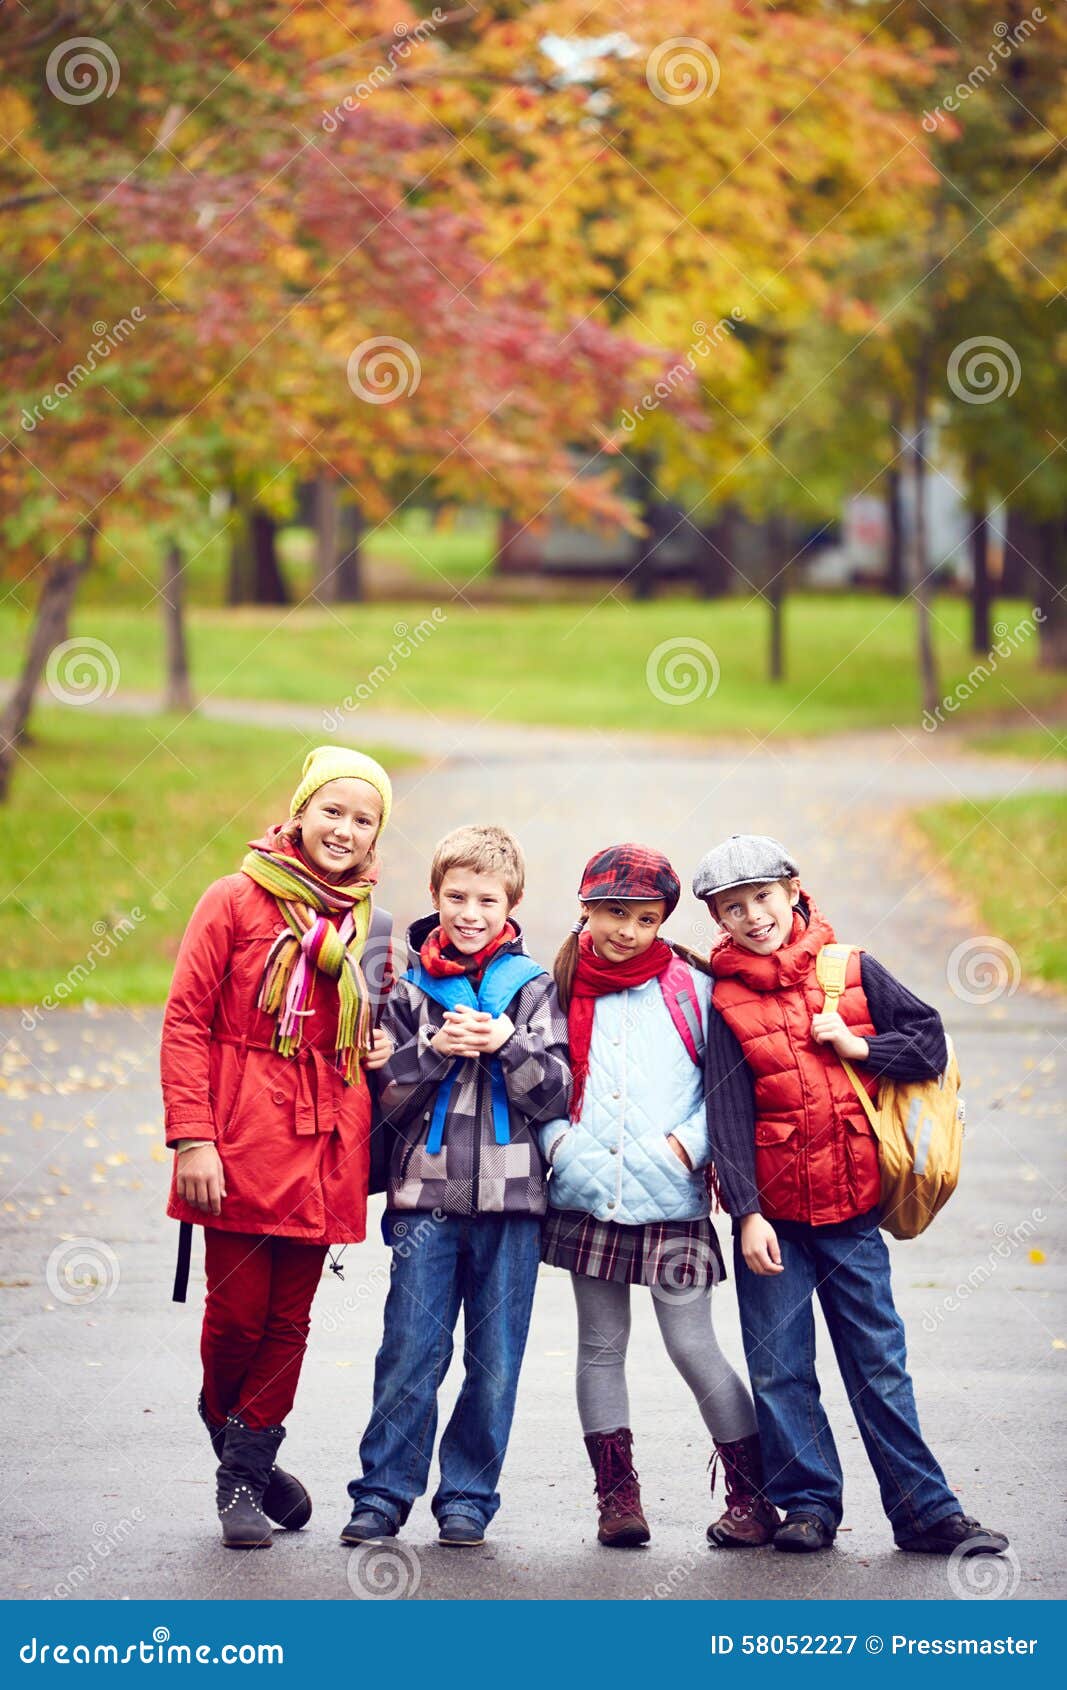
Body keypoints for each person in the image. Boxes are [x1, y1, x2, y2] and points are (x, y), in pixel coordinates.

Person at [693, 832, 1011, 1558]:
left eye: (761, 898)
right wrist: (744, 1215)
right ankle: (806, 1504)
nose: (751, 917)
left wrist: (861, 1046)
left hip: (852, 1213)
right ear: (718, 918)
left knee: (877, 1363)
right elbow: (727, 1113)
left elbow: (928, 1042)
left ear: (793, 889)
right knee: (779, 1368)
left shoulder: (850, 970)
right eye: (732, 908)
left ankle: (923, 1510)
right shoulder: (725, 998)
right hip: (772, 1223)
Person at [161, 745, 394, 1548]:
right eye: (333, 810)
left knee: (288, 1322)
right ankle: (236, 1436)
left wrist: (378, 1046)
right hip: (236, 1135)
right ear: (299, 813)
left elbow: (378, 1023)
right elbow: (186, 1021)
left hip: (326, 1141)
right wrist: (193, 1137)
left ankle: (242, 1475)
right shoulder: (233, 900)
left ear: (374, 839)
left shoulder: (368, 926)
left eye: (363, 820)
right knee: (235, 1318)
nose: (345, 829)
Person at [539, 844, 778, 1549]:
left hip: (670, 1200)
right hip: (585, 1196)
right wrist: (558, 1145)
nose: (628, 931)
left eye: (645, 918)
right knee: (600, 1346)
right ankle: (616, 1497)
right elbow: (536, 1077)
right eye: (614, 913)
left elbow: (727, 1088)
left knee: (692, 1345)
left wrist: (683, 1147)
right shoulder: (557, 984)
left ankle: (751, 1493)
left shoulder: (691, 988)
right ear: (586, 908)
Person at [342, 824, 571, 1548]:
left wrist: (507, 1045)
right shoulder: (408, 987)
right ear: (435, 897)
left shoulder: (533, 988)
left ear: (512, 905)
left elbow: (558, 1094)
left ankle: (468, 1496)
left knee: (495, 1358)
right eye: (456, 896)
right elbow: (387, 1100)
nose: (470, 913)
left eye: (487, 900)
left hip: (513, 1205)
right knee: (410, 1350)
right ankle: (382, 1493)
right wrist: (430, 1052)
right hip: (424, 1203)